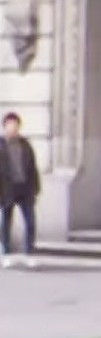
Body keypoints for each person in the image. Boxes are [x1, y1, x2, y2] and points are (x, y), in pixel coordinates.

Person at [0, 112, 40, 267]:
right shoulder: (1, 146)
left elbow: (32, 168)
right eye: (10, 125)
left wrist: (36, 188)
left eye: (15, 125)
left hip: (25, 188)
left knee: (30, 222)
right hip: (7, 189)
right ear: (4, 127)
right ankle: (7, 253)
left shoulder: (25, 145)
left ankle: (29, 252)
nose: (13, 128)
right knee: (6, 222)